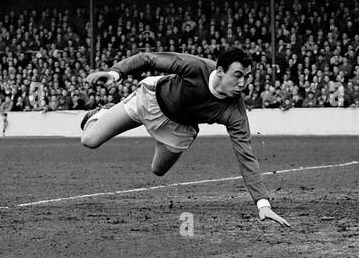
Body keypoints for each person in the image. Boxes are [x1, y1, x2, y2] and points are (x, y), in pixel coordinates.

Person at [81, 47, 289, 226]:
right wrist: (115, 73)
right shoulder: (196, 67)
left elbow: (246, 155)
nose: (243, 83)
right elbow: (148, 58)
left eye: (247, 76)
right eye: (237, 75)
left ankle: (148, 130)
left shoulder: (235, 112)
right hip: (151, 101)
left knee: (158, 170)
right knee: (89, 140)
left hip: (179, 129)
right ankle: (103, 112)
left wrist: (263, 204)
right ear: (219, 71)